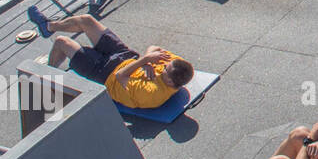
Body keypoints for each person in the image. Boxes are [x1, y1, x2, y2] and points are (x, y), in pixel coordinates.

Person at [27, 7, 194, 110]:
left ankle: (47, 74)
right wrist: (148, 58)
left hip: (104, 73)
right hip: (124, 54)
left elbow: (120, 76)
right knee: (86, 20)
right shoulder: (176, 66)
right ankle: (49, 26)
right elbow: (155, 49)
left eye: (166, 69)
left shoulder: (152, 93)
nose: (163, 66)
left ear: (171, 83)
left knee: (61, 42)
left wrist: (145, 61)